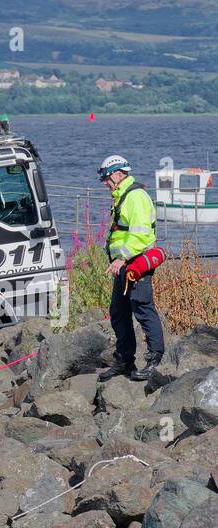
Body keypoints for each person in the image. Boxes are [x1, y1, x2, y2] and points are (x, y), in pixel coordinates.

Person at [95, 155, 165, 383]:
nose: (105, 182)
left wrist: (121, 258)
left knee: (144, 310)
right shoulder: (122, 196)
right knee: (118, 312)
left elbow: (140, 234)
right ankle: (125, 360)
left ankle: (155, 360)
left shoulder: (136, 196)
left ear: (118, 174)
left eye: (106, 178)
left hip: (136, 265)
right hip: (123, 267)